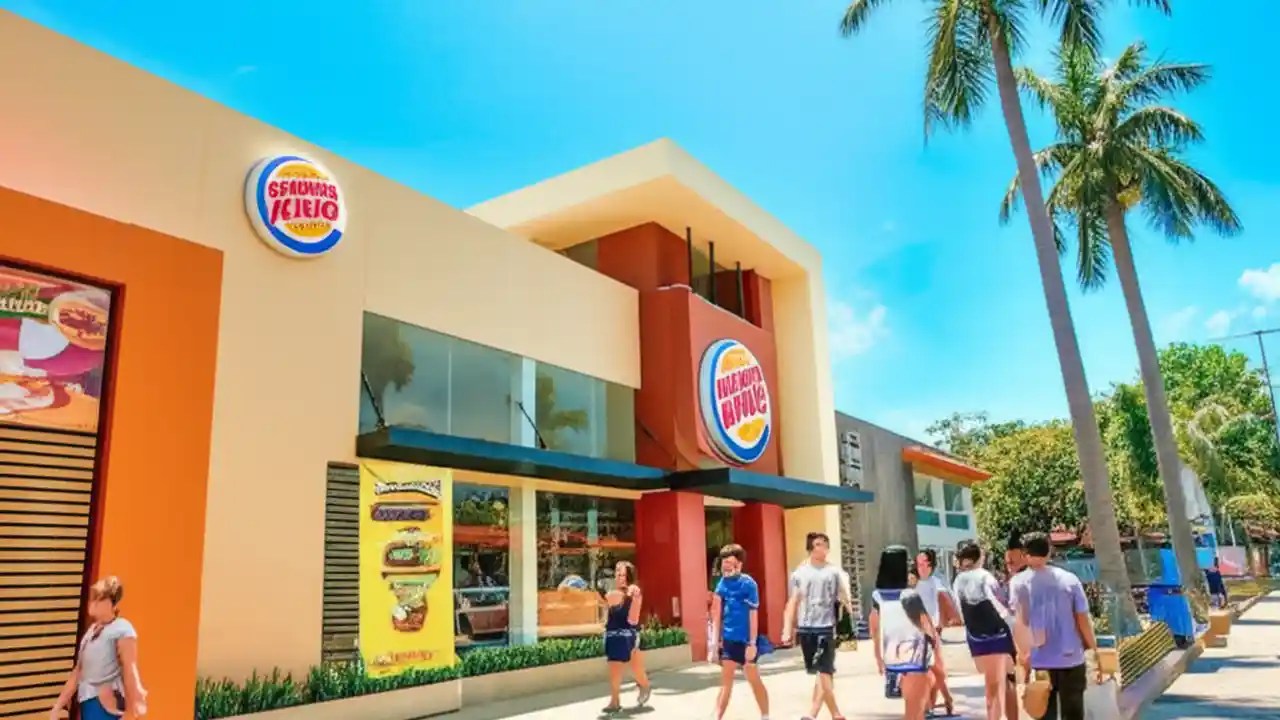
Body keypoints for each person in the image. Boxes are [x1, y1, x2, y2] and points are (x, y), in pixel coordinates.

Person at [1011, 533, 1102, 720]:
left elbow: (1020, 623)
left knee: (1043, 712)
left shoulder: (1018, 583)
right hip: (1071, 657)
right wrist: (1094, 649)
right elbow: (1083, 619)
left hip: (1039, 660)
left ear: (1024, 554)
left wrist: (1023, 659)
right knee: (1074, 711)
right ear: (1049, 551)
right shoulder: (1069, 579)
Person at [50, 577, 148, 720]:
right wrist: (58, 706)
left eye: (99, 599)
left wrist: (134, 705)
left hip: (106, 705)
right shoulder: (91, 632)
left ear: (111, 603)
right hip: (87, 704)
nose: (93, 603)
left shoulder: (122, 629)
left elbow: (130, 668)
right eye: (93, 598)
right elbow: (78, 672)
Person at [782, 532, 852, 720]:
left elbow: (845, 599)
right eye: (819, 544)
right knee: (822, 673)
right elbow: (793, 601)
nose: (823, 548)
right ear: (811, 548)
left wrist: (848, 625)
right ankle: (831, 714)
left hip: (826, 626)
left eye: (825, 544)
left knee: (824, 670)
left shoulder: (835, 572)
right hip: (806, 628)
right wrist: (787, 628)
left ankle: (817, 714)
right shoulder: (800, 573)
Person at [872, 545, 937, 720]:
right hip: (915, 657)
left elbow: (876, 629)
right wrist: (935, 649)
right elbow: (927, 627)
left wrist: (878, 657)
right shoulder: (910, 595)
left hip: (892, 658)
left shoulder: (878, 596)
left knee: (912, 710)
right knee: (915, 710)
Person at [952, 541, 1016, 720]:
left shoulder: (957, 581)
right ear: (979, 557)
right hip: (996, 635)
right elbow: (1001, 606)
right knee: (999, 685)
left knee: (997, 681)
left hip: (975, 636)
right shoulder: (985, 576)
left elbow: (959, 610)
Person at [710, 544, 772, 720]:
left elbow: (753, 614)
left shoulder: (749, 584)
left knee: (753, 679)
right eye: (724, 563)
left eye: (730, 562)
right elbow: (716, 614)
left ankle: (765, 715)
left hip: (746, 641)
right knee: (726, 683)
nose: (726, 566)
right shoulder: (722, 583)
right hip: (729, 640)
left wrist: (752, 643)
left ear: (739, 564)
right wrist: (714, 645)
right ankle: (718, 716)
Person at [602, 560, 652, 713]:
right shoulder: (612, 592)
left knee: (636, 671)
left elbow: (633, 619)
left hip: (628, 635)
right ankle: (615, 701)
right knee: (616, 667)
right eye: (617, 572)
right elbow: (605, 617)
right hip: (613, 634)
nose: (619, 576)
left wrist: (626, 599)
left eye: (623, 574)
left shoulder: (633, 590)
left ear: (629, 576)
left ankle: (643, 687)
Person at [914, 549, 956, 716]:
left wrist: (940, 624)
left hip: (931, 631)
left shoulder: (936, 583)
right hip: (917, 631)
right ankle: (937, 701)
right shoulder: (914, 583)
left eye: (926, 564)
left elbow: (945, 602)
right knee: (930, 669)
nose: (922, 567)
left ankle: (937, 701)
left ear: (932, 565)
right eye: (919, 564)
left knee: (934, 668)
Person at [1001, 529, 1029, 720]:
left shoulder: (1020, 581)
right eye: (1007, 562)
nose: (1009, 566)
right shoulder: (1013, 580)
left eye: (1012, 562)